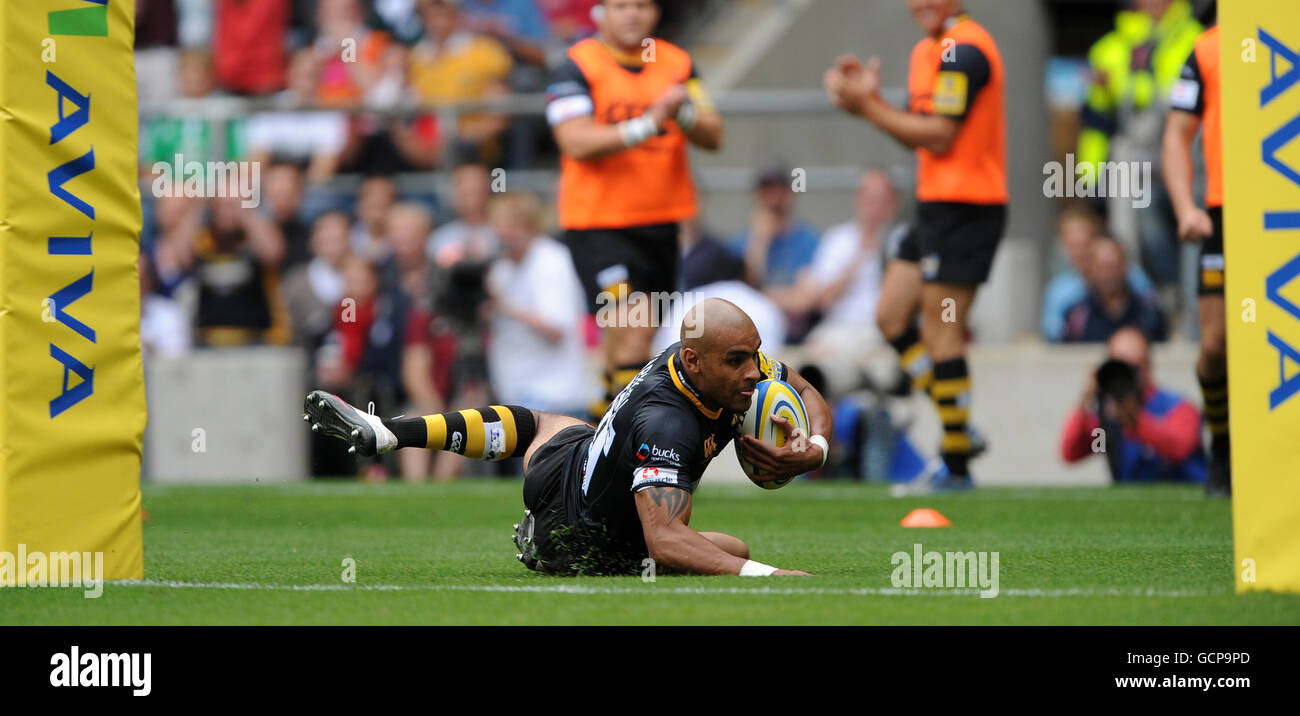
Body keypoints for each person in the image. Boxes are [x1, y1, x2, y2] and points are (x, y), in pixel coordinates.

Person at [304, 298, 826, 576]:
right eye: (737, 362)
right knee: (708, 548)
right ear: (694, 361)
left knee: (544, 424)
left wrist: (813, 449)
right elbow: (665, 541)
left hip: (572, 467)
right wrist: (769, 577)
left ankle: (387, 431)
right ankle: (548, 542)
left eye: (753, 357)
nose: (755, 375)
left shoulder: (716, 361)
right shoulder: (668, 421)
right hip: (583, 542)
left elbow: (801, 385)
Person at [824, 0, 1006, 489]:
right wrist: (874, 101)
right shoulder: (930, 50)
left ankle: (958, 463)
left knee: (942, 332)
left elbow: (941, 136)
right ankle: (960, 427)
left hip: (967, 208)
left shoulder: (964, 51)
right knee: (890, 317)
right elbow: (921, 134)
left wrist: (869, 109)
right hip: (935, 206)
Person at [546, 0, 723, 421]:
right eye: (621, 5)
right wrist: (648, 122)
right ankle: (629, 454)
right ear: (601, 12)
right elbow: (576, 141)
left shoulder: (676, 63)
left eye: (641, 5)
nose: (632, 15)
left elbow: (714, 135)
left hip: (660, 223)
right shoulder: (577, 64)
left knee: (623, 349)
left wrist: (682, 112)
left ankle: (592, 442)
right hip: (600, 224)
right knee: (634, 332)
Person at [1163, 22, 1228, 498]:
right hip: (1226, 215)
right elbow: (1176, 134)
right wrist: (1187, 206)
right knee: (1215, 346)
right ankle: (1224, 449)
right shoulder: (1207, 47)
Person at [485, 193, 592, 416]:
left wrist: (503, 305)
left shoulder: (552, 261)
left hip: (555, 399)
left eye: (512, 226)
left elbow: (555, 330)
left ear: (530, 227)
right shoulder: (501, 266)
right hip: (514, 396)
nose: (503, 234)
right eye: (499, 226)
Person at [1059, 327, 1205, 483]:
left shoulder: (1177, 407)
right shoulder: (1107, 420)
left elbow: (1180, 448)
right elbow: (1072, 452)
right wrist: (1086, 399)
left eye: (1132, 368)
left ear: (1148, 366)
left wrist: (1136, 422)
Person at [1042, 205, 1155, 342]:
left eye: (1085, 244)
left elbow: (1151, 311)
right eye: (1073, 246)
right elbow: (1053, 335)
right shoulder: (1058, 290)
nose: (1080, 253)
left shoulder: (1133, 276)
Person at [1061, 236, 1168, 343]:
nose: (1109, 275)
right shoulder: (1076, 317)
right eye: (1103, 267)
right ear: (1091, 270)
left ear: (1125, 266)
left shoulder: (1149, 312)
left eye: (1114, 266)